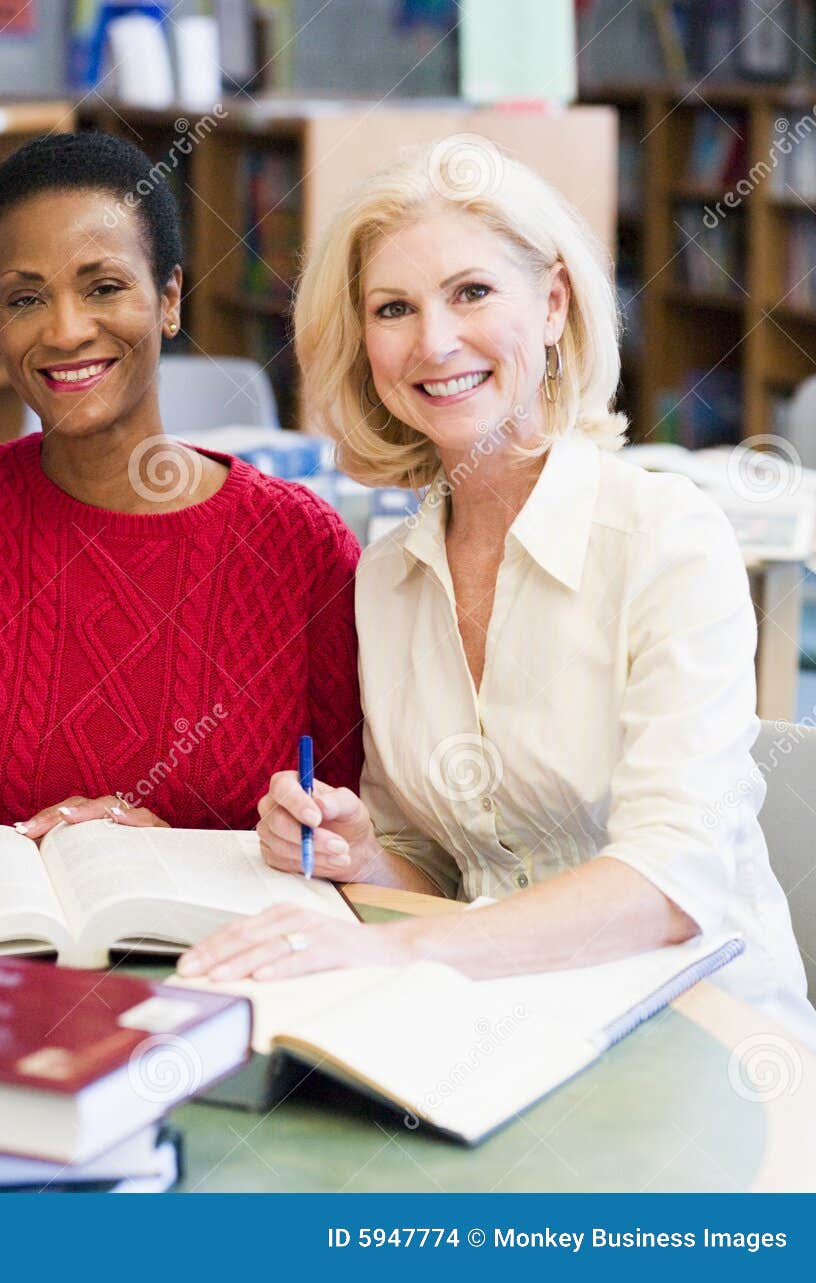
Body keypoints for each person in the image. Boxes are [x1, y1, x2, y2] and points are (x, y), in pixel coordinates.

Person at [178, 140, 816, 1045]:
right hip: (511, 1025)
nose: (434, 342)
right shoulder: (388, 580)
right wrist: (367, 855)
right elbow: (444, 870)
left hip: (706, 1039)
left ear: (553, 303)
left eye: (472, 292)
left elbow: (673, 881)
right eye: (393, 308)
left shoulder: (665, 539)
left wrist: (397, 957)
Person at [0, 131, 362, 927]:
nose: (63, 330)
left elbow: (347, 822)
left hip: (227, 973)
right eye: (24, 298)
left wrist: (176, 852)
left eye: (104, 285)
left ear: (171, 297)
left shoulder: (303, 548)